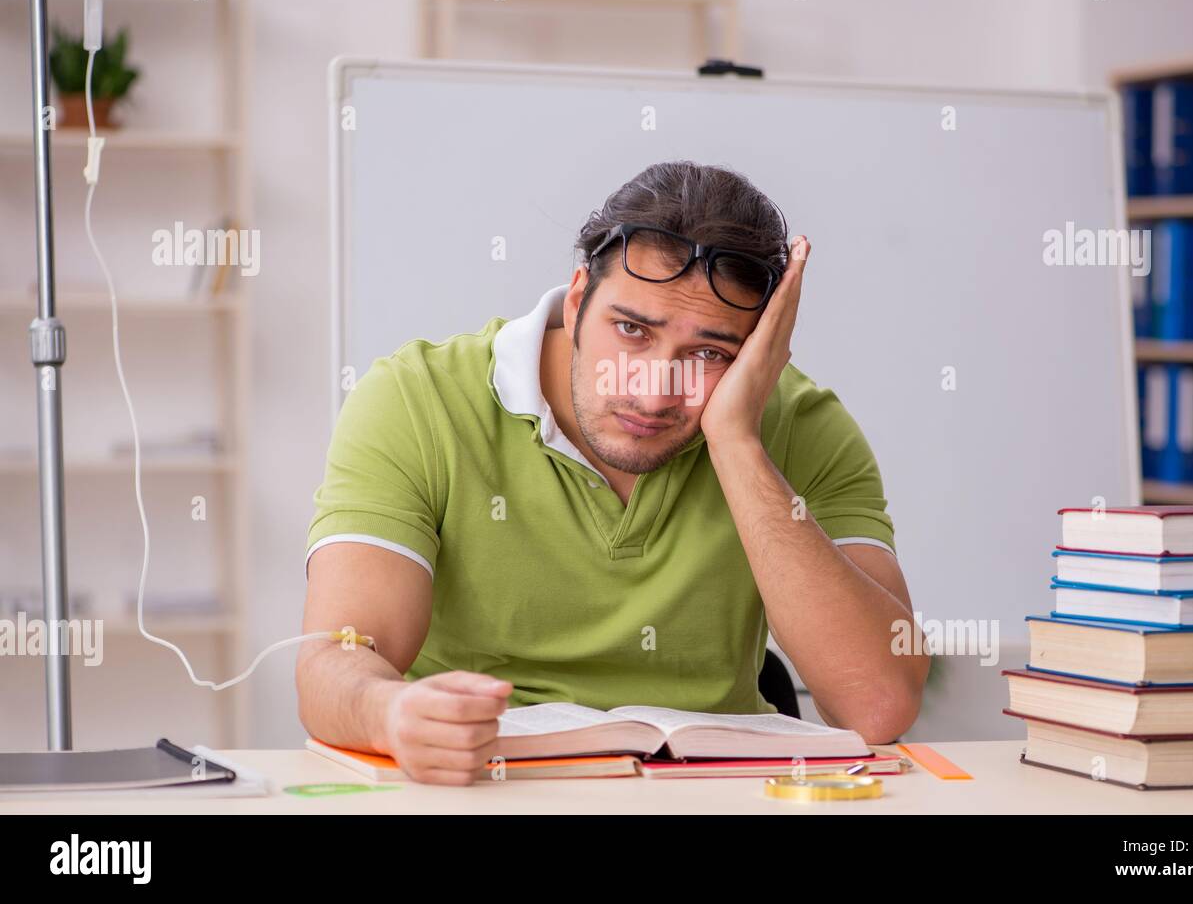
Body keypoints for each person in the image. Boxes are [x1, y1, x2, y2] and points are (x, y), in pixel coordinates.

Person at [297, 160, 928, 785]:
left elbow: (877, 704)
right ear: (576, 300)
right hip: (487, 789)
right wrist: (392, 713)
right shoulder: (417, 400)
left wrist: (736, 443)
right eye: (631, 330)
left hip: (717, 796)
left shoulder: (801, 425)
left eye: (709, 353)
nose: (653, 394)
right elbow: (335, 665)